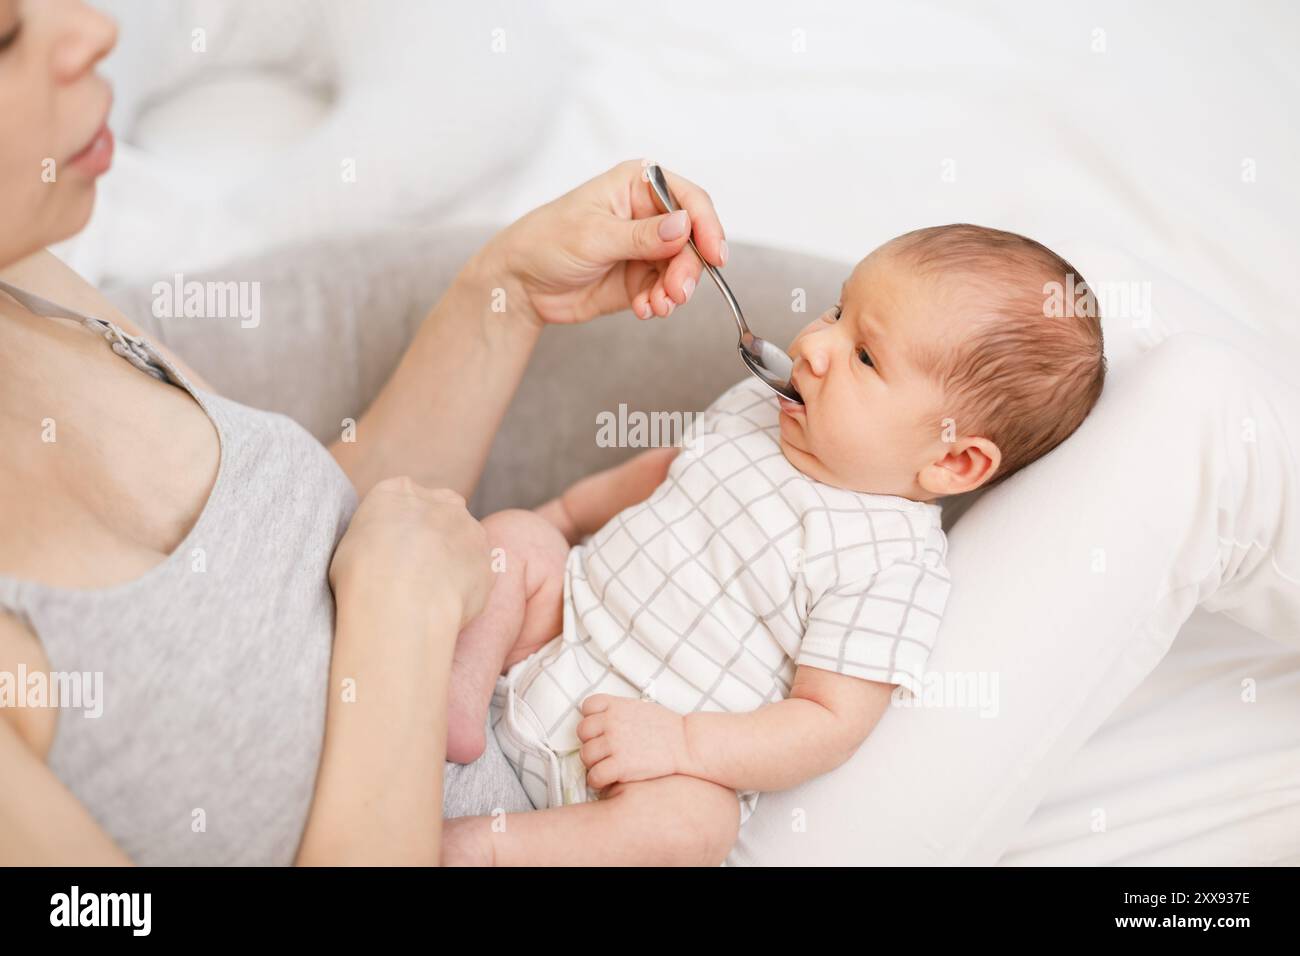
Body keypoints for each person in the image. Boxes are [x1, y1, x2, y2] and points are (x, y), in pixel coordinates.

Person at [0, 0, 728, 865]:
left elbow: (296, 566)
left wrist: (504, 295)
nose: (93, 29)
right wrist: (404, 618)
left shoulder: (31, 287)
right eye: (5, 33)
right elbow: (376, 586)